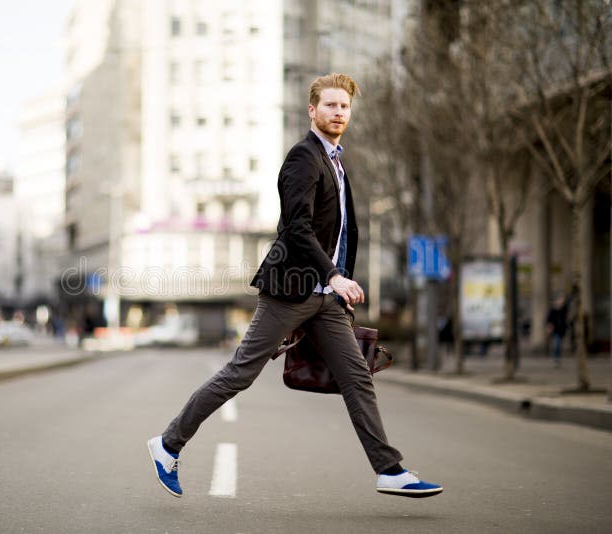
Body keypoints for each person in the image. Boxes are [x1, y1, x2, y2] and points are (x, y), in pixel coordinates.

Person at [147, 73, 442, 499]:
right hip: (292, 290)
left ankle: (389, 469)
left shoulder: (336, 161)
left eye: (344, 106)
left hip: (325, 300)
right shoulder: (304, 158)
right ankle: (168, 444)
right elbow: (297, 228)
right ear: (312, 110)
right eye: (330, 105)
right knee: (240, 373)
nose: (338, 112)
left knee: (357, 377)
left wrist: (337, 285)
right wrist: (334, 274)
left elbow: (341, 232)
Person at [546, 293, 568, 367]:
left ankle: (557, 358)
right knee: (556, 344)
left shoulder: (564, 309)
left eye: (562, 300)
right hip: (555, 330)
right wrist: (549, 326)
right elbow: (548, 319)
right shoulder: (553, 310)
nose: (561, 301)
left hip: (561, 330)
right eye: (560, 300)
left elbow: (565, 318)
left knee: (558, 345)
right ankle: (556, 358)